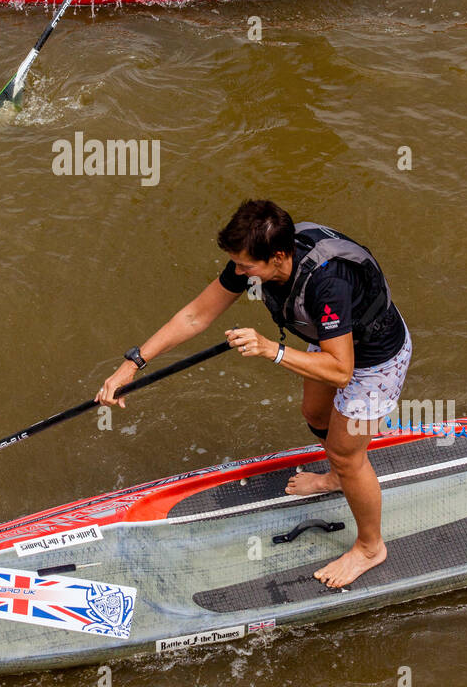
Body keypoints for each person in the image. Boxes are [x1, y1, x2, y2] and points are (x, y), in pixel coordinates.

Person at [96, 198, 412, 589]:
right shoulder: (258, 258)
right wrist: (133, 364)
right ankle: (334, 477)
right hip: (331, 343)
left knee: (348, 453)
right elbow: (197, 314)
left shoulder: (328, 283)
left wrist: (272, 350)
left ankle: (370, 547)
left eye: (246, 266)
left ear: (279, 256)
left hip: (371, 359)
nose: (239, 272)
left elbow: (343, 371)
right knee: (314, 414)